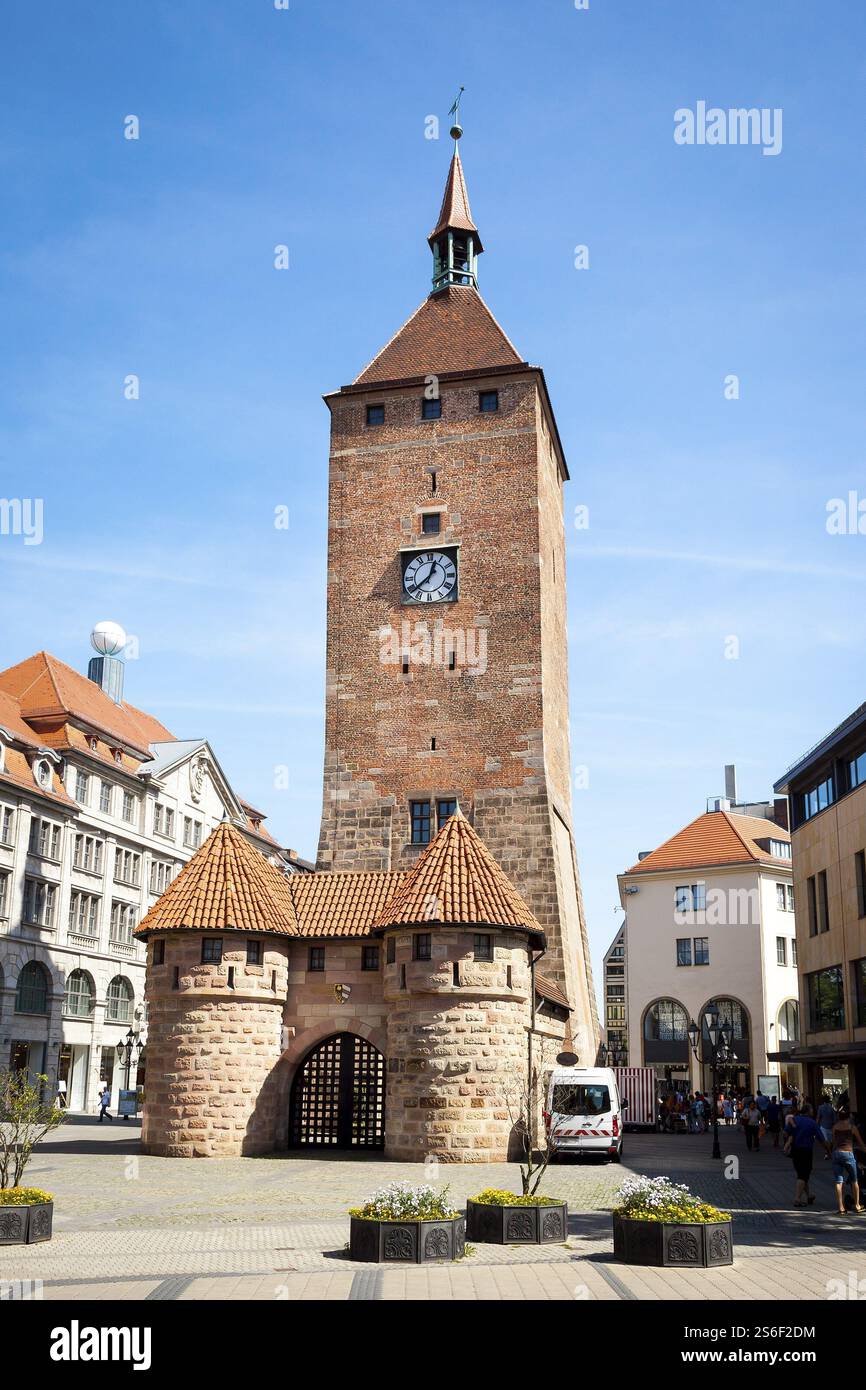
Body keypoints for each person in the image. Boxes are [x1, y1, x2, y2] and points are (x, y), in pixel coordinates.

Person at [786, 1102, 831, 1207]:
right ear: (809, 1111)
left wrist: (788, 1143)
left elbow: (786, 1132)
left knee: (801, 1172)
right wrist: (828, 1151)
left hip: (795, 1150)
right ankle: (797, 1198)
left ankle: (809, 1195)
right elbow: (822, 1140)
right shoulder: (812, 1123)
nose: (813, 1112)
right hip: (806, 1151)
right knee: (803, 1174)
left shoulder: (795, 1119)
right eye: (812, 1110)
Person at [830, 1107, 865, 1215]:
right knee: (855, 1180)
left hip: (836, 1153)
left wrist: (831, 1153)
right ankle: (857, 1205)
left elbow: (833, 1142)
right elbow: (860, 1142)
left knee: (838, 1181)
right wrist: (864, 1149)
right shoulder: (852, 1127)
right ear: (849, 1116)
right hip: (848, 1154)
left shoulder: (835, 1127)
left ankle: (841, 1207)